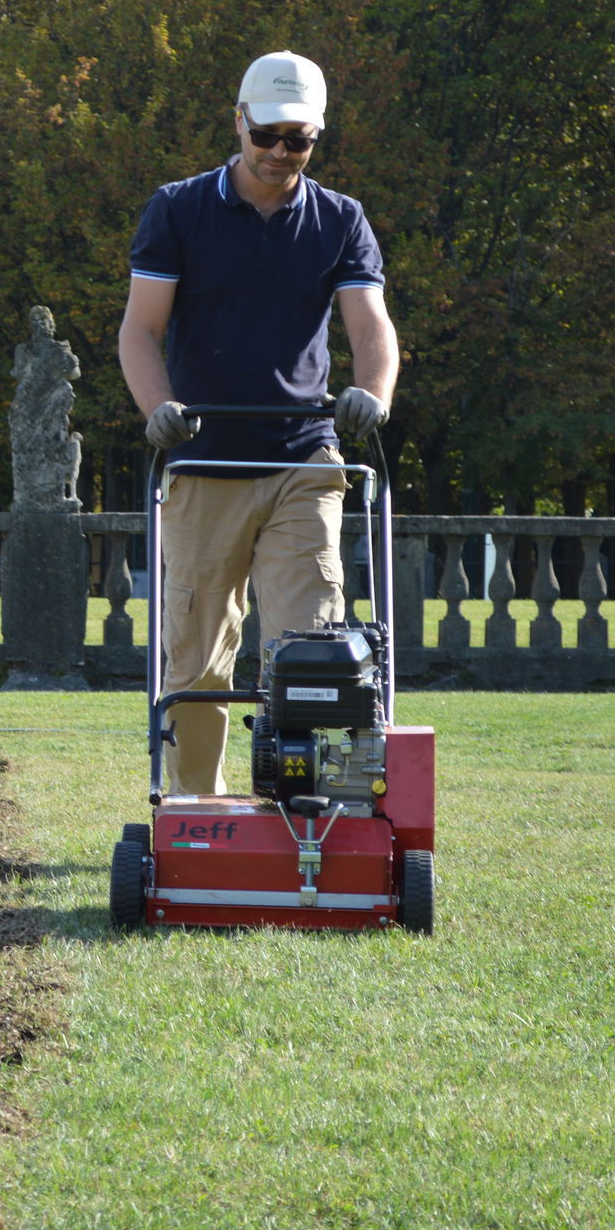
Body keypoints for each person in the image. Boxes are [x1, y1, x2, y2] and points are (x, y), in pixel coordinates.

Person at [118, 50, 400, 796]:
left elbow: (372, 327)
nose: (279, 153)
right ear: (238, 121)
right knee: (199, 657)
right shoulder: (179, 209)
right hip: (205, 460)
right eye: (267, 134)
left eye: (298, 140)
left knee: (308, 650)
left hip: (304, 460)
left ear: (317, 137)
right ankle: (194, 811)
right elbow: (141, 331)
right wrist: (161, 412)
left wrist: (371, 390)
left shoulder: (341, 220)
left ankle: (299, 803)